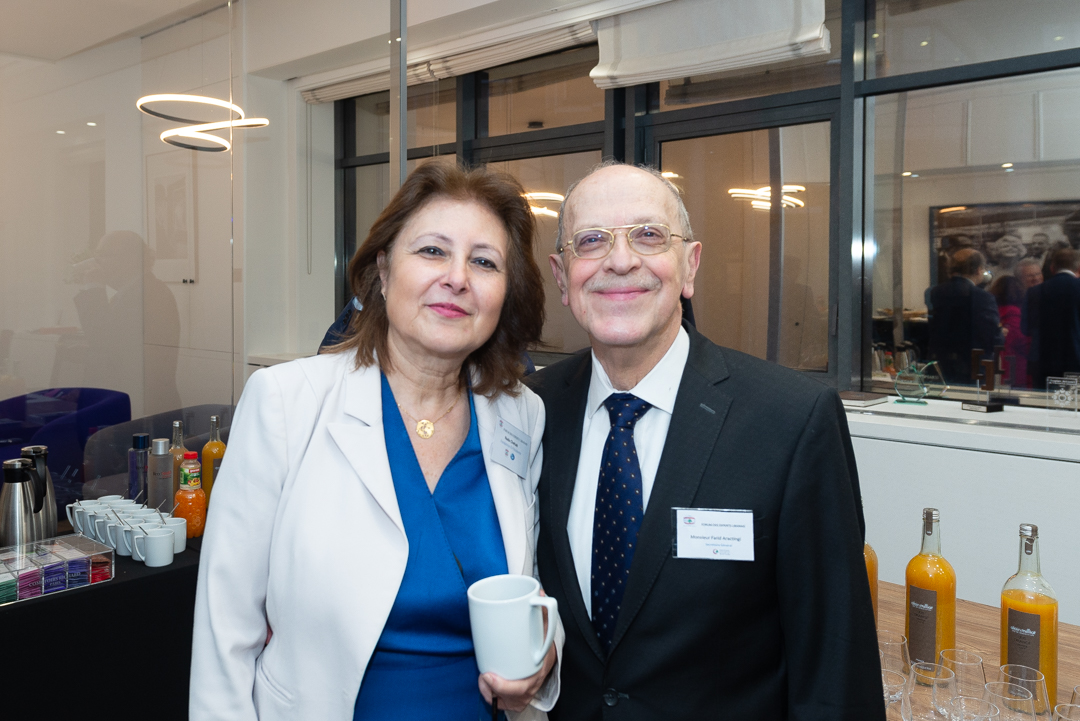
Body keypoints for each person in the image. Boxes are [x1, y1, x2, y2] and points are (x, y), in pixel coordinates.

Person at [191, 163, 561, 720]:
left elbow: (529, 587)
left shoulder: (521, 414)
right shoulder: (286, 402)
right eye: (433, 252)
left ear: (506, 295)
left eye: (484, 262)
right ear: (383, 272)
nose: (458, 278)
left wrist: (543, 653)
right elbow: (225, 630)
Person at [524, 162, 882, 720]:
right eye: (591, 241)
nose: (620, 261)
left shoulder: (792, 420)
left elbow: (835, 666)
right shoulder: (530, 411)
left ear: (689, 266)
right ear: (562, 275)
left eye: (648, 235)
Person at [926, 249, 1004, 384]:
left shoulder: (934, 292)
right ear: (979, 270)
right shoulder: (983, 297)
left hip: (940, 361)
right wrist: (1001, 334)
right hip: (971, 365)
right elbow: (990, 336)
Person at [1023, 248, 1080, 389]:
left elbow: (1025, 328)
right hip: (1076, 360)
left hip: (1042, 362)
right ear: (1078, 268)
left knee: (1042, 405)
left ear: (1052, 268)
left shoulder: (1034, 292)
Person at [989, 274, 1030, 387]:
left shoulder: (994, 312)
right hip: (1015, 368)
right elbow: (1020, 340)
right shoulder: (1015, 313)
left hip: (998, 367)